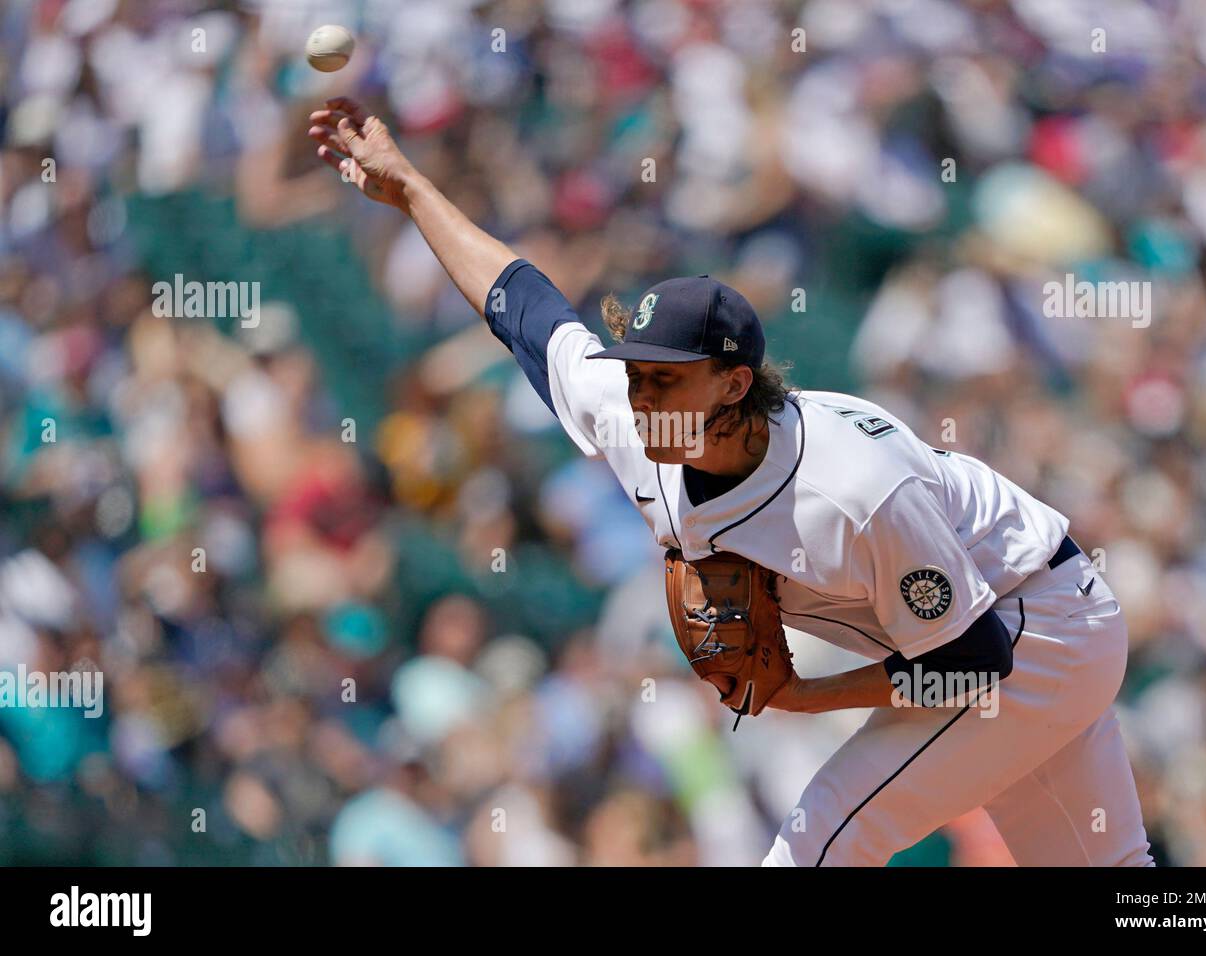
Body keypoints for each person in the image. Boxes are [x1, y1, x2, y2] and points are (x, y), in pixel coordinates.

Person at [307, 97, 1154, 867]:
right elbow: (520, 306)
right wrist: (412, 187)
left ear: (735, 384)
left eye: (665, 379)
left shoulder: (853, 488)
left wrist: (805, 696)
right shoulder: (636, 416)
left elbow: (973, 664)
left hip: (1027, 633)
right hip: (1016, 631)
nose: (639, 397)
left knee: (821, 841)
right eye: (635, 373)